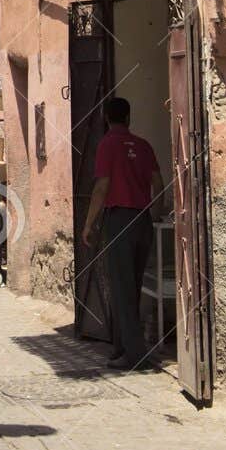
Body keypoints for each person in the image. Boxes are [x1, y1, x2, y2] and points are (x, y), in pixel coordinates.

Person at [81, 96, 164, 371]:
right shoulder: (143, 145)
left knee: (122, 288)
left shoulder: (107, 145)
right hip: (142, 221)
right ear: (128, 117)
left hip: (119, 220)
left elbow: (102, 186)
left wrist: (89, 223)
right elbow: (158, 182)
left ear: (107, 118)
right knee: (134, 285)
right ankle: (121, 347)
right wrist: (153, 213)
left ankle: (134, 354)